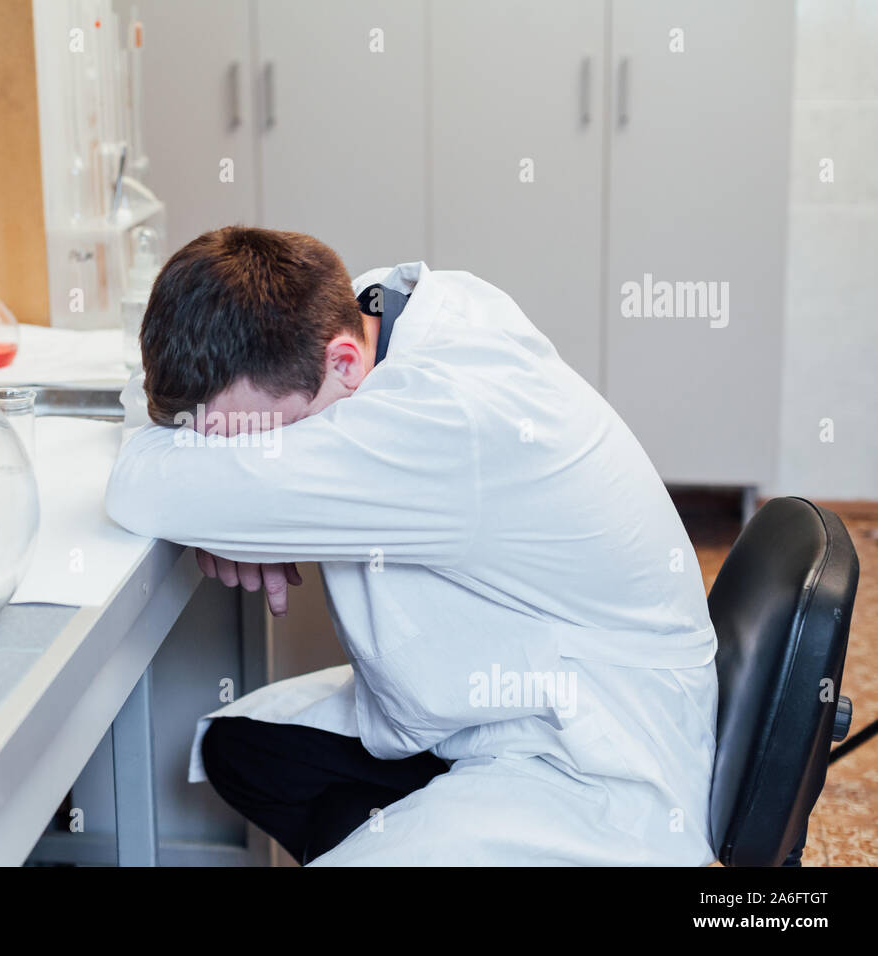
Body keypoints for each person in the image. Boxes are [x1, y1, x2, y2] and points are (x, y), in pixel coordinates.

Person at [104, 226, 718, 866]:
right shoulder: (355, 322)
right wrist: (232, 504)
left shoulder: (442, 415)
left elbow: (137, 486)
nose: (250, 454)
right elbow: (141, 401)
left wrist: (227, 503)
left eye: (250, 440)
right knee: (243, 753)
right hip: (497, 692)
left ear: (343, 363)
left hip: (589, 761)